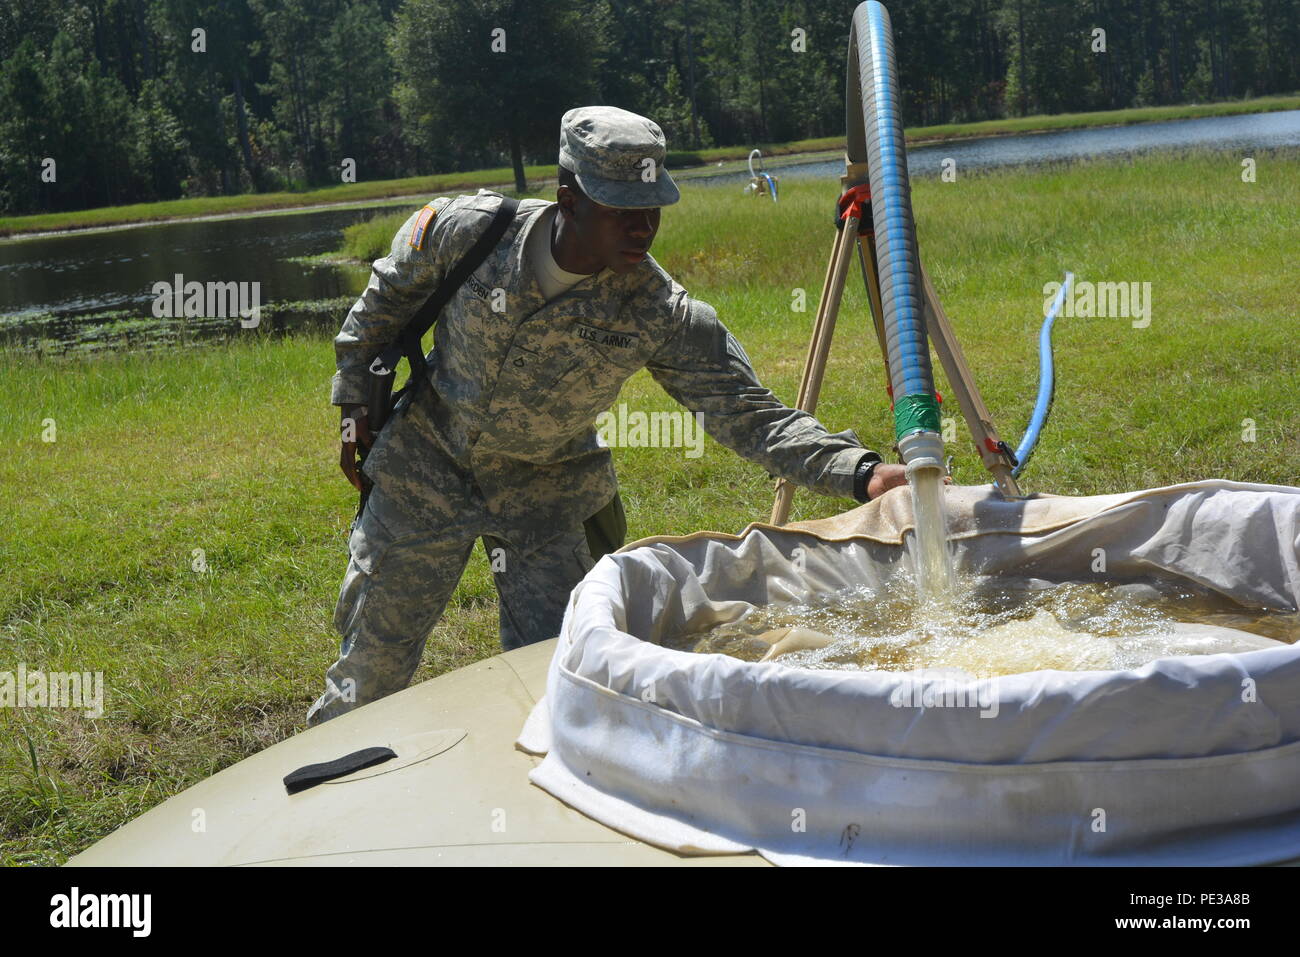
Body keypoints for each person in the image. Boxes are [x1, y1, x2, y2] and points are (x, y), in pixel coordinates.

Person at [306, 105, 907, 725]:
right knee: (370, 670)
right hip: (424, 468)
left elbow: (749, 415)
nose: (643, 228)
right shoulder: (467, 232)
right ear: (569, 196)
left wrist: (861, 473)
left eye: (653, 209)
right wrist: (354, 408)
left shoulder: (658, 311)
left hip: (549, 495)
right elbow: (379, 309)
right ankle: (320, 801)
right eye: (622, 210)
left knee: (562, 677)